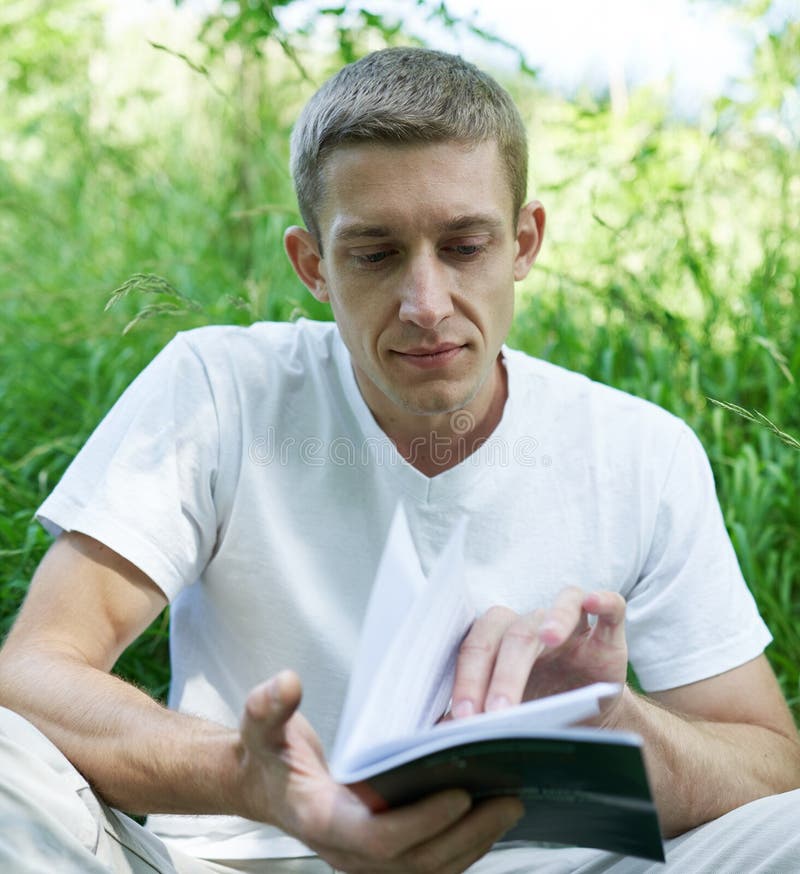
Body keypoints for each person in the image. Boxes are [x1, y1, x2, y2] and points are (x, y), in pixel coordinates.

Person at [0, 46, 798, 874]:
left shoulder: (639, 449)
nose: (426, 304)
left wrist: (617, 723)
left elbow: (773, 767)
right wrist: (248, 778)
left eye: (465, 246)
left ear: (524, 242)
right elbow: (31, 674)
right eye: (375, 254)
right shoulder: (220, 388)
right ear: (312, 265)